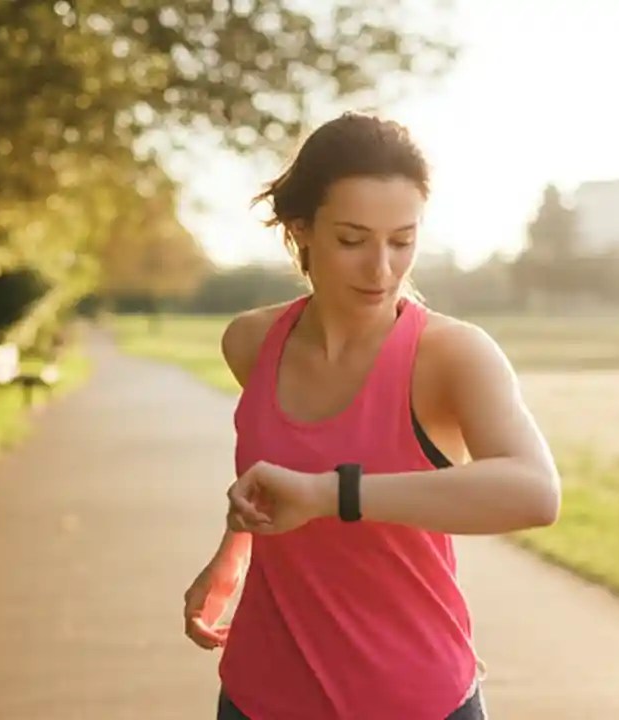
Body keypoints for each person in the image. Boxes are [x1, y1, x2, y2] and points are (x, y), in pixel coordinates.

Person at [182, 112, 562, 720]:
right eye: (353, 240)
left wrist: (333, 494)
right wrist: (234, 547)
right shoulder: (251, 344)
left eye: (402, 241)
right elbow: (279, 473)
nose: (381, 269)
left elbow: (535, 492)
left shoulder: (451, 355)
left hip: (414, 698)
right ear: (300, 229)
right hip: (260, 695)